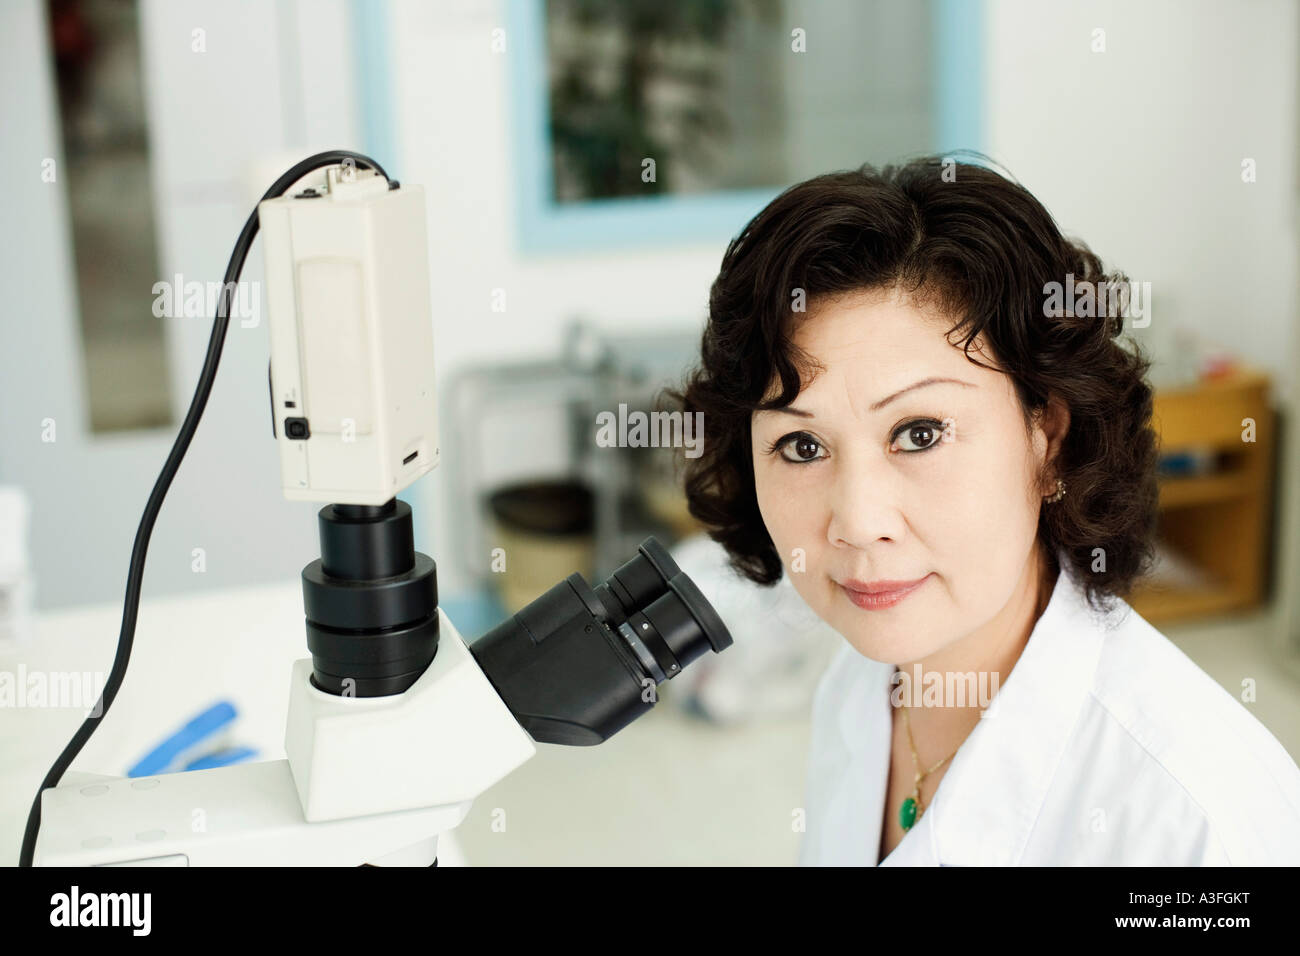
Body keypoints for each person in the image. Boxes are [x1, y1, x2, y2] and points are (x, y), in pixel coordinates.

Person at [664, 155, 1300, 865]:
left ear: (1048, 438)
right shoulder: (860, 682)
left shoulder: (1194, 827)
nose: (857, 521)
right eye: (802, 445)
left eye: (920, 433)